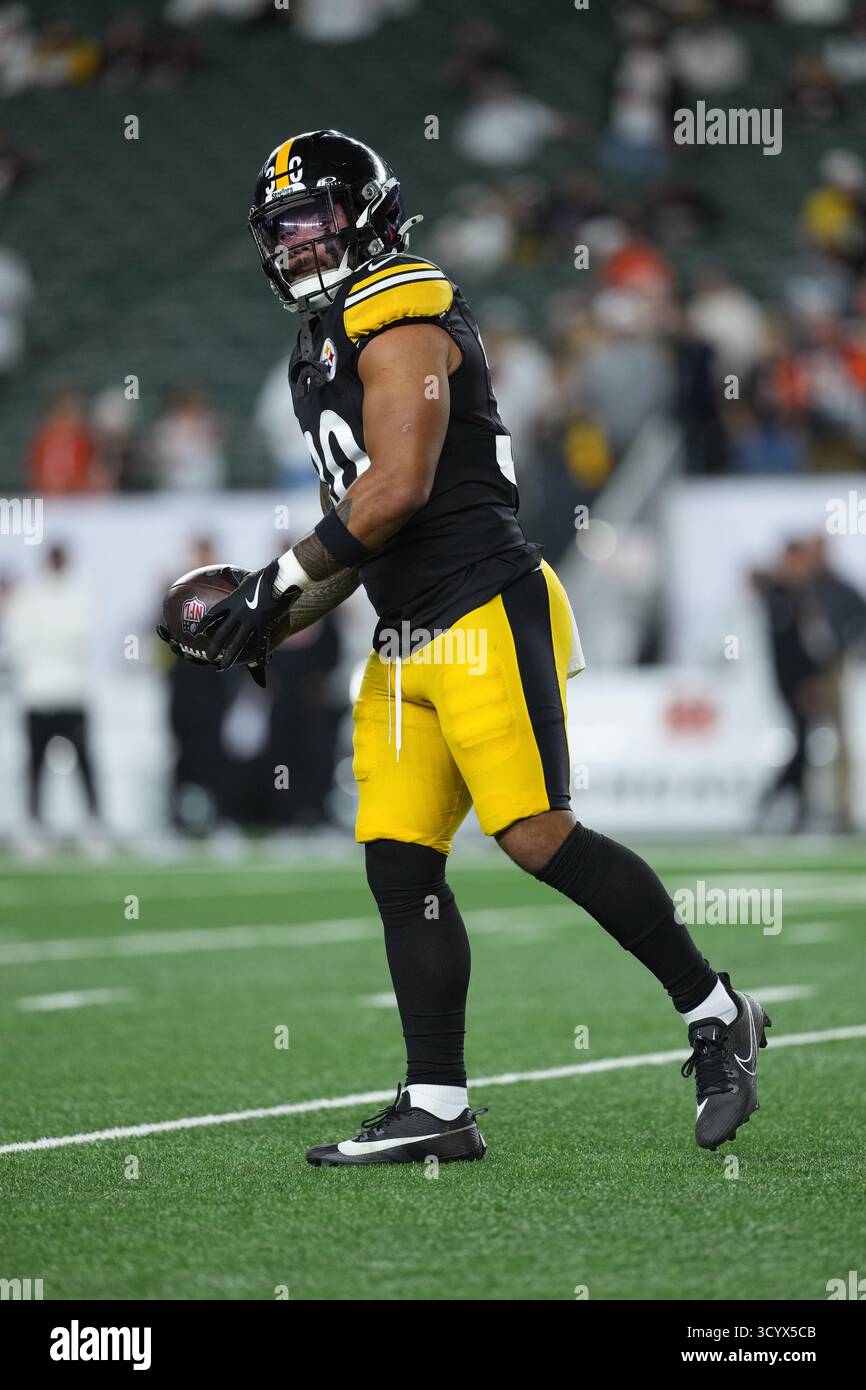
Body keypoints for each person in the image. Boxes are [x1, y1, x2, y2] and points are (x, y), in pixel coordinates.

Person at [160, 130, 771, 1163]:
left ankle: (713, 1007)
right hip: (401, 637)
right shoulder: (321, 347)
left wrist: (272, 580)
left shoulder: (399, 309)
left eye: (316, 219)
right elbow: (358, 540)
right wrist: (265, 621)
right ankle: (437, 1104)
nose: (301, 244)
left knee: (533, 832)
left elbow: (396, 490)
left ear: (374, 214)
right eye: (284, 229)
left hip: (482, 603)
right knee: (400, 864)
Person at [4, 544, 101, 848]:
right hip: (37, 695)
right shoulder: (29, 594)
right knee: (35, 766)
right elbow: (17, 639)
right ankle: (34, 826)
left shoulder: (81, 593)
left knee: (84, 762)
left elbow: (81, 636)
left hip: (72, 693)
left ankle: (93, 824)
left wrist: (47, 640)